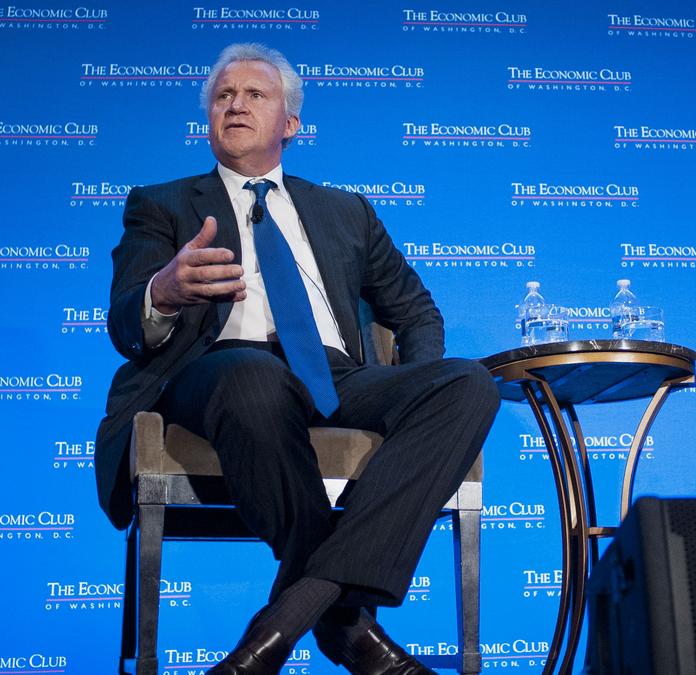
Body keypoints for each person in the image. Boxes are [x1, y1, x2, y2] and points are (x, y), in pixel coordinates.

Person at [94, 43, 498, 674]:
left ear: (290, 124)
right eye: (224, 95)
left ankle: (294, 614)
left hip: (335, 375)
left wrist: (392, 386)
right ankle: (344, 627)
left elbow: (416, 312)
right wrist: (164, 292)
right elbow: (127, 322)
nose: (236, 103)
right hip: (219, 369)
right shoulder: (162, 203)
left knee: (468, 385)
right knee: (254, 377)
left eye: (255, 94)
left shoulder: (345, 209)